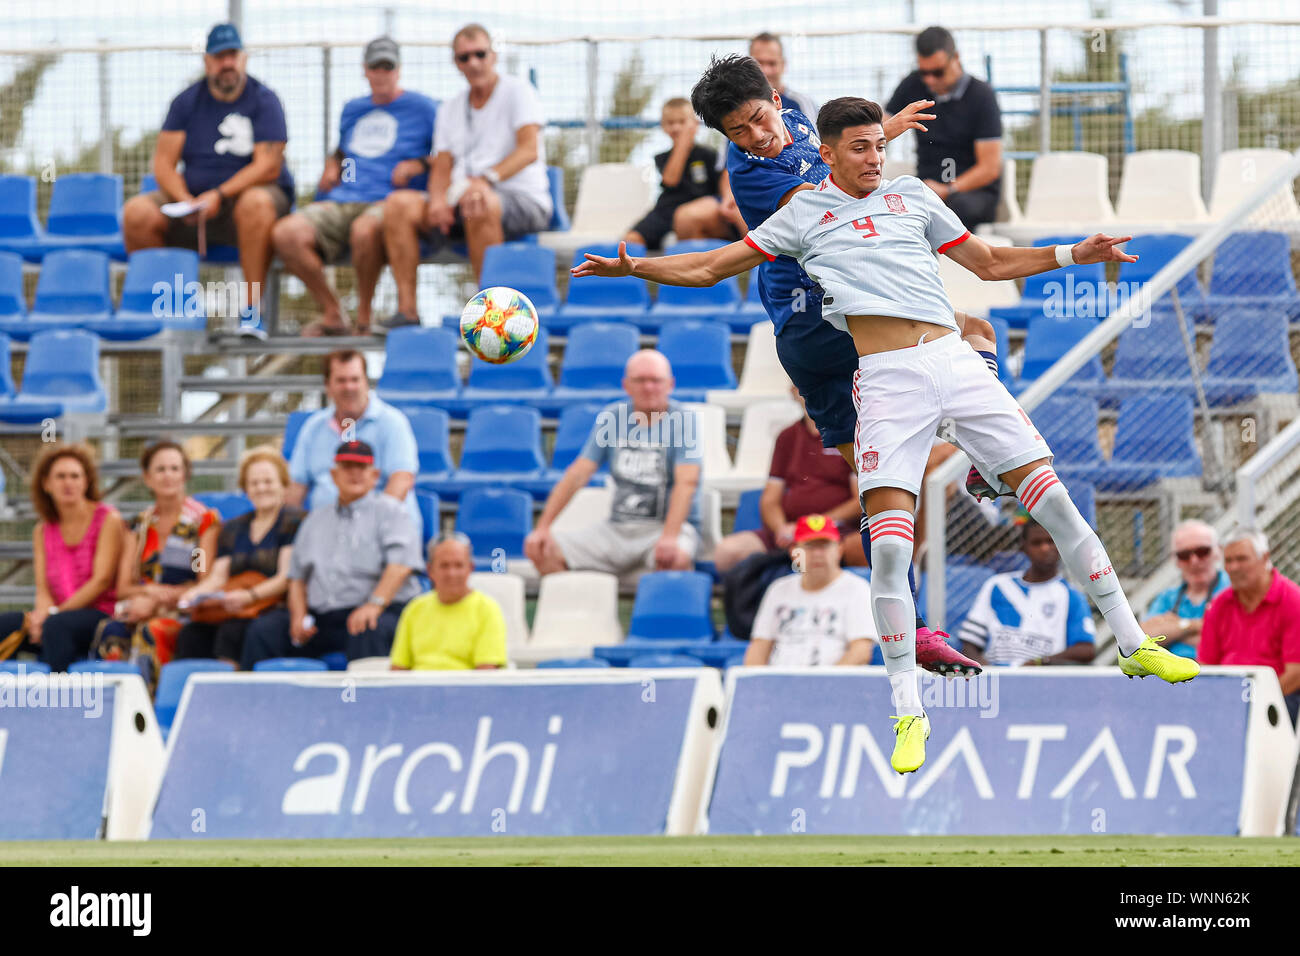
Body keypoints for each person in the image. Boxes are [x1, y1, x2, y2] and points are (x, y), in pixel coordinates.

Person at [573, 95, 1198, 776]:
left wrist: (1073, 252)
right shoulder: (802, 213)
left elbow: (987, 263)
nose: (875, 158)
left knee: (1056, 504)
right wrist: (635, 268)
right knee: (892, 554)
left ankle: (1134, 641)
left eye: (881, 145)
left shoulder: (912, 196)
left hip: (955, 365)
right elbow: (710, 266)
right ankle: (908, 712)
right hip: (887, 383)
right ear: (830, 153)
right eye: (862, 148)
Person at [689, 54, 987, 678]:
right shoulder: (752, 175)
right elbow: (838, 198)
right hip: (830, 318)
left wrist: (883, 126)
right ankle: (982, 463)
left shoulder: (798, 123)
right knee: (973, 333)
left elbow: (837, 151)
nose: (754, 137)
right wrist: (888, 138)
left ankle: (914, 627)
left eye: (757, 120)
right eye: (736, 133)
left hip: (803, 342)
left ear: (776, 96)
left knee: (877, 490)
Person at [122, 23, 294, 339]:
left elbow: (268, 166)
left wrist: (219, 195)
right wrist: (185, 199)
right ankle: (172, 309)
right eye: (219, 57)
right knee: (137, 213)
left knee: (255, 204)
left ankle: (253, 314)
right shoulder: (186, 102)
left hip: (248, 203)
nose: (227, 63)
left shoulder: (265, 100)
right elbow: (162, 164)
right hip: (195, 204)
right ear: (207, 61)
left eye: (232, 55)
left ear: (243, 58)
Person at [381, 23, 551, 327]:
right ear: (455, 63)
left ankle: (493, 316)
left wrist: (485, 180)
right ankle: (407, 311)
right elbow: (442, 165)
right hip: (464, 197)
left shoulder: (519, 91)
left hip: (522, 199)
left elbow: (529, 151)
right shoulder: (450, 107)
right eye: (464, 57)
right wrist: (436, 201)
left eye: (479, 54)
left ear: (493, 55)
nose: (473, 62)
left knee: (478, 200)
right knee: (397, 204)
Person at [272, 37, 438, 337]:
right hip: (343, 197)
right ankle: (333, 312)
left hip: (389, 202)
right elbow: (346, 150)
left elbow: (449, 154)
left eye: (388, 67)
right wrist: (333, 163)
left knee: (364, 231)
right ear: (365, 70)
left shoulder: (424, 107)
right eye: (376, 67)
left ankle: (364, 318)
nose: (382, 73)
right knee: (285, 233)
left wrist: (420, 165)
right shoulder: (352, 109)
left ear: (398, 70)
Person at [244, 441, 424, 666]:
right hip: (323, 618)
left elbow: (400, 566)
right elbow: (297, 577)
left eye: (361, 467)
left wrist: (374, 604)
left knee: (368, 629)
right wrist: (299, 615)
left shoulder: (392, 512)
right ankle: (260, 700)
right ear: (334, 474)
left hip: (378, 610)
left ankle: (365, 701)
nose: (354, 473)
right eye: (347, 467)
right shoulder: (315, 519)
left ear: (375, 475)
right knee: (265, 630)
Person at [524, 350, 702, 576]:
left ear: (670, 384)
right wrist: (543, 528)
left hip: (665, 529)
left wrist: (669, 536)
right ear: (626, 385)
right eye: (640, 380)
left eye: (655, 380)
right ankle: (583, 609)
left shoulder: (684, 420)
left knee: (675, 558)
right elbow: (578, 474)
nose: (648, 387)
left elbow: (687, 483)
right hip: (617, 529)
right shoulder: (612, 418)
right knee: (543, 550)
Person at [174, 447, 304, 665]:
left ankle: (232, 695)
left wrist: (249, 596)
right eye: (254, 483)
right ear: (246, 488)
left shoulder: (294, 522)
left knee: (232, 632)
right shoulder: (234, 527)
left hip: (274, 607)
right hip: (235, 606)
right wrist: (192, 595)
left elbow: (285, 577)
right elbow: (218, 577)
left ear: (282, 485)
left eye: (268, 481)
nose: (261, 488)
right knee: (191, 634)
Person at [0, 445, 124, 672]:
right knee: (8, 624)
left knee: (57, 628)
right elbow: (43, 588)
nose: (68, 483)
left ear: (86, 481)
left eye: (75, 476)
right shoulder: (43, 530)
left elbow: (102, 580)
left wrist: (54, 615)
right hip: (56, 618)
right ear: (46, 484)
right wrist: (40, 617)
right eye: (60, 476)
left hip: (99, 617)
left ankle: (57, 701)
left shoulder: (108, 519)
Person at [102, 442, 221, 678]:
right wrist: (149, 597)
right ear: (147, 477)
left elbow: (203, 583)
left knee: (152, 631)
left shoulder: (204, 522)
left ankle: (151, 708)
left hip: (183, 613)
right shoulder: (139, 526)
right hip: (139, 607)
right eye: (161, 469)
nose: (168, 475)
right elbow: (124, 587)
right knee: (110, 631)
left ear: (185, 474)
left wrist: (157, 602)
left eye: (175, 468)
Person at [713, 385, 861, 574]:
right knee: (727, 553)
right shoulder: (786, 436)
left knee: (860, 548)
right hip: (792, 532)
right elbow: (770, 500)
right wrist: (781, 529)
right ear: (792, 392)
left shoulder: (849, 434)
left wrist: (815, 526)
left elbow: (859, 501)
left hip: (837, 531)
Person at [287, 349, 421, 541]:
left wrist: (364, 528)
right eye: (341, 380)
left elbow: (401, 480)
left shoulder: (393, 422)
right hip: (326, 538)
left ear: (366, 382)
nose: (349, 387)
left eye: (355, 379)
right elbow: (296, 488)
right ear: (328, 385)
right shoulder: (313, 428)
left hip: (383, 536)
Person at [884, 26, 1004, 232]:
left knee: (953, 208)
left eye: (938, 72)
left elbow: (990, 169)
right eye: (924, 72)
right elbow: (878, 127)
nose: (930, 79)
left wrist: (948, 189)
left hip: (972, 194)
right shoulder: (912, 85)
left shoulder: (982, 95)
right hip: (926, 189)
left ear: (956, 58)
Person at [959, 516, 1096, 667]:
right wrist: (986, 672)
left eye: (1051, 541)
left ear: (1060, 545)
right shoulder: (997, 586)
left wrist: (1041, 662)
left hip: (1043, 682)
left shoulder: (1071, 595)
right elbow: (969, 644)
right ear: (1023, 547)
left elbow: (1086, 650)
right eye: (1037, 543)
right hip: (996, 677)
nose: (1045, 548)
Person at [744, 514, 876, 667]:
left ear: (839, 549)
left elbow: (860, 652)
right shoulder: (778, 589)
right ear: (794, 552)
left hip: (835, 686)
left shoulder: (857, 589)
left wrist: (821, 685)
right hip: (779, 684)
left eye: (825, 545)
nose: (817, 553)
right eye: (809, 546)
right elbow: (759, 647)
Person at [1198, 528, 1300, 724]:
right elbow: (1206, 666)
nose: (1234, 567)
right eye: (1228, 561)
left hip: (1278, 698)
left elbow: (1296, 673)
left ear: (1264, 558)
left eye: (1242, 559)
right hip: (1226, 697)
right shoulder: (1219, 605)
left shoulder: (1292, 601)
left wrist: (1255, 704)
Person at [625, 98, 745, 251]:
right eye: (671, 122)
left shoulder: (708, 154)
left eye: (682, 122)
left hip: (699, 207)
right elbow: (670, 180)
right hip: (666, 210)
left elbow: (721, 188)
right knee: (631, 240)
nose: (676, 127)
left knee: (693, 222)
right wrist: (683, 143)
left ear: (694, 124)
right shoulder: (662, 157)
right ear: (663, 126)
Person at [390, 532, 507, 670]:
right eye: (444, 566)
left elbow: (486, 674)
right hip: (419, 689)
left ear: (470, 568)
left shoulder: (487, 609)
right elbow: (398, 669)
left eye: (459, 565)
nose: (452, 573)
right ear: (430, 570)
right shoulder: (415, 608)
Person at [1140, 519, 1230, 660]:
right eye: (1184, 555)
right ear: (1175, 560)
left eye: (1202, 552)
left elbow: (1231, 642)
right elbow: (1142, 639)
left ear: (1218, 551)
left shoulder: (1233, 592)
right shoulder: (1167, 597)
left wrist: (1173, 628)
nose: (1194, 561)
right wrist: (1192, 626)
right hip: (1171, 677)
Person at [748, 32, 819, 121]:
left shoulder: (801, 103)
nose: (766, 71)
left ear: (783, 65)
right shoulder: (739, 106)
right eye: (759, 63)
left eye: (772, 63)